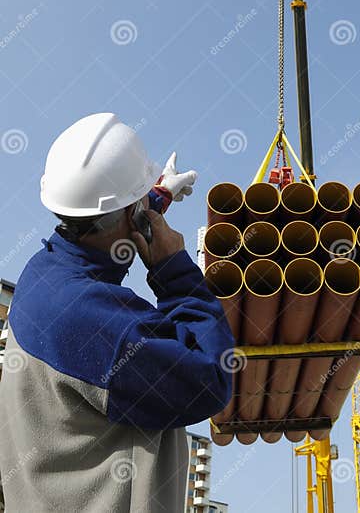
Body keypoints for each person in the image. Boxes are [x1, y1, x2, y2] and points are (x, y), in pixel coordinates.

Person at [0, 113, 234, 513]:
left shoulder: (45, 273)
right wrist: (174, 270)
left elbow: (101, 237)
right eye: (141, 203)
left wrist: (153, 200)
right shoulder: (98, 325)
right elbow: (210, 378)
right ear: (130, 215)